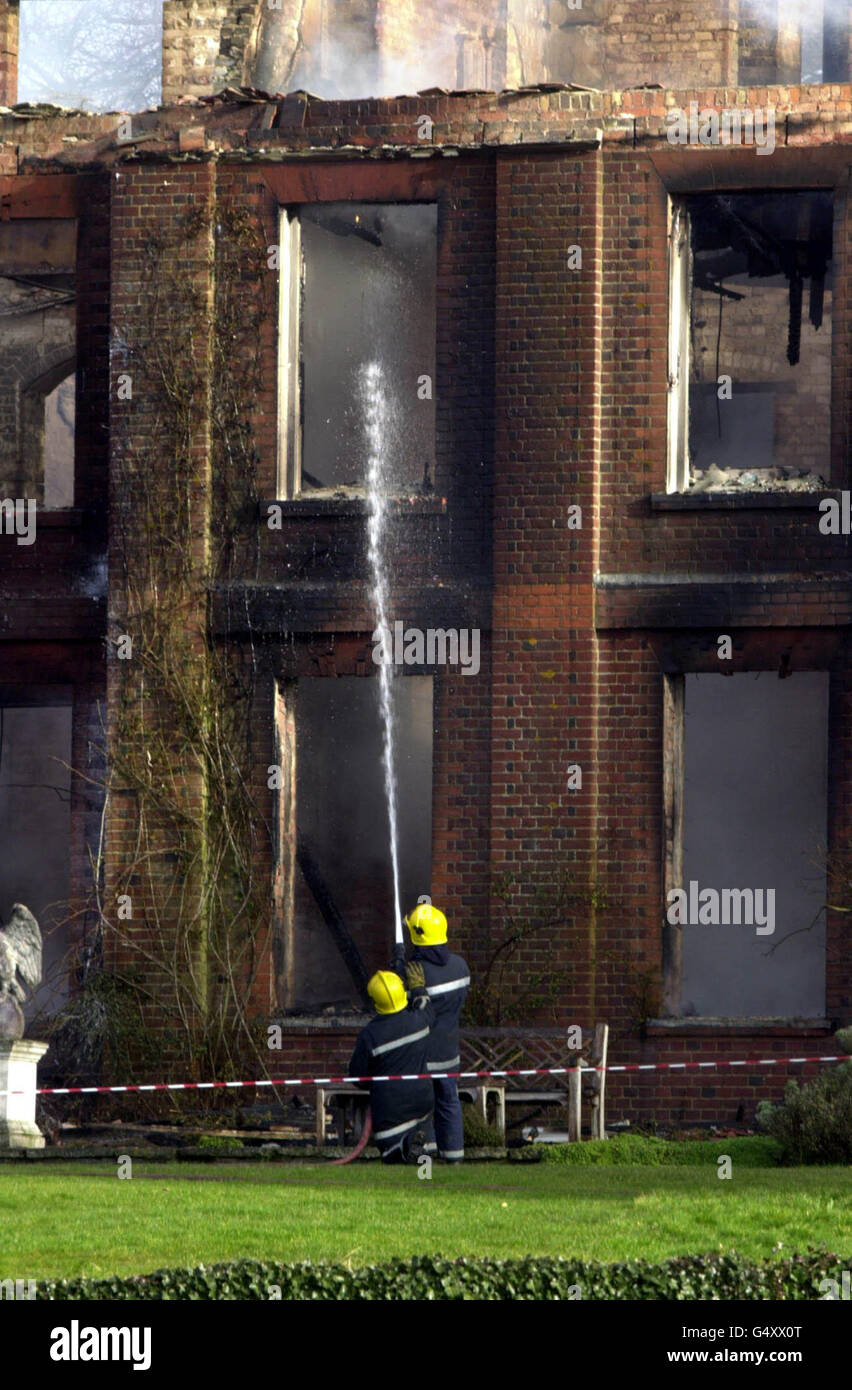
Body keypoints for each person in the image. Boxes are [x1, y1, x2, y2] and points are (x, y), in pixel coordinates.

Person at [404, 900, 470, 1163]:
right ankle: (454, 1156)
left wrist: (401, 972)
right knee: (449, 1101)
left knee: (424, 1104)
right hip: (450, 1051)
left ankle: (426, 1154)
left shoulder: (415, 974)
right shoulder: (461, 966)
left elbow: (406, 1013)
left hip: (423, 1054)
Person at [348, 968, 434, 1164]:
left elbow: (358, 1078)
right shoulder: (420, 1020)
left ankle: (401, 1149)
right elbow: (426, 1006)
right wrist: (418, 988)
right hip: (423, 1102)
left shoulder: (370, 1035)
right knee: (422, 1152)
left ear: (375, 1002)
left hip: (391, 1110)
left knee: (391, 1155)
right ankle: (419, 1148)